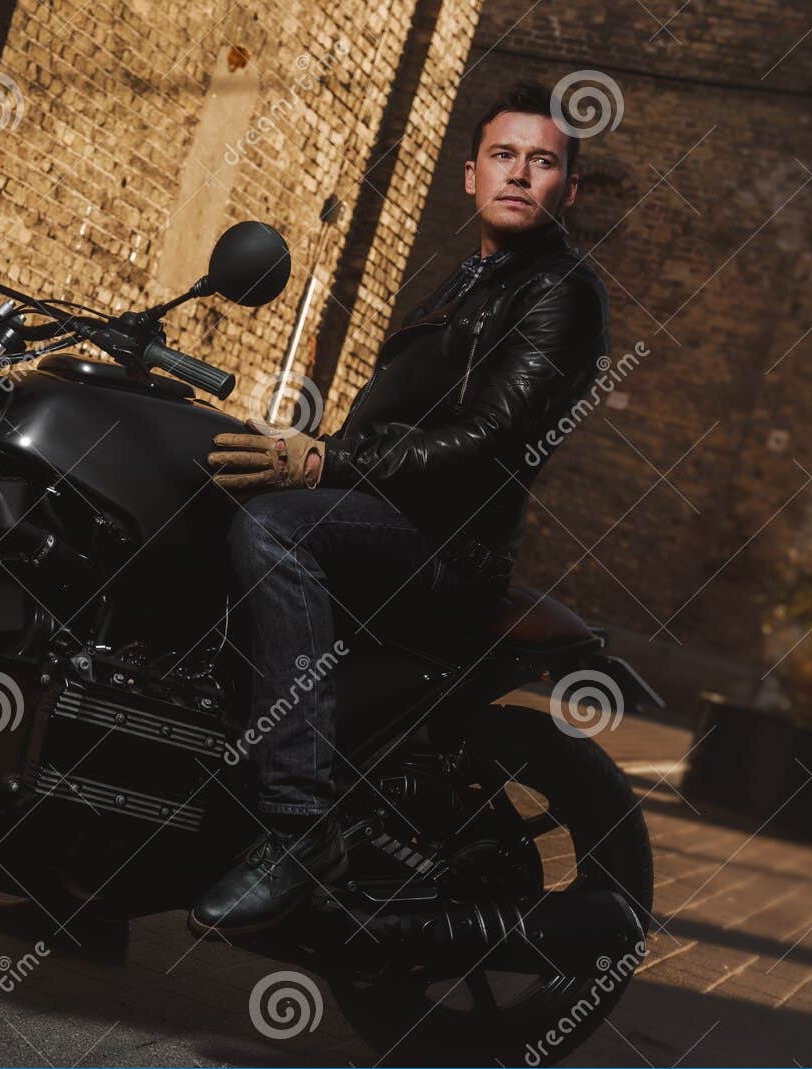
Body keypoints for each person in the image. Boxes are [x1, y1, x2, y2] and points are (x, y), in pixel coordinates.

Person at [189, 79, 612, 937]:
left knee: (275, 530)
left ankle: (301, 827)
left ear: (568, 188)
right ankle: (102, 868)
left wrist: (326, 462)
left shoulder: (559, 291)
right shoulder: (470, 280)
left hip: (448, 548)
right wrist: (308, 453)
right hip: (388, 516)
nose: (519, 174)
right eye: (503, 156)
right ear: (471, 174)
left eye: (542, 162)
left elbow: (491, 442)